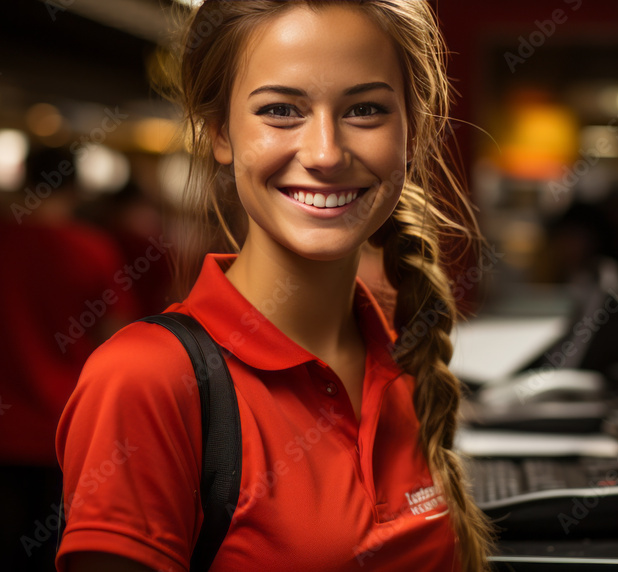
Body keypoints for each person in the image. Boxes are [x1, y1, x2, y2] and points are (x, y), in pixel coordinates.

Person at [56, 1, 494, 571]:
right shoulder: (146, 380)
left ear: (413, 129)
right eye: (281, 110)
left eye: (364, 109)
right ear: (220, 134)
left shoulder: (400, 356)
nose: (325, 154)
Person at [0, 146, 137, 571]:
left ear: (23, 181)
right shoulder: (94, 250)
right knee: (55, 555)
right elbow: (119, 342)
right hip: (68, 431)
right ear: (75, 189)